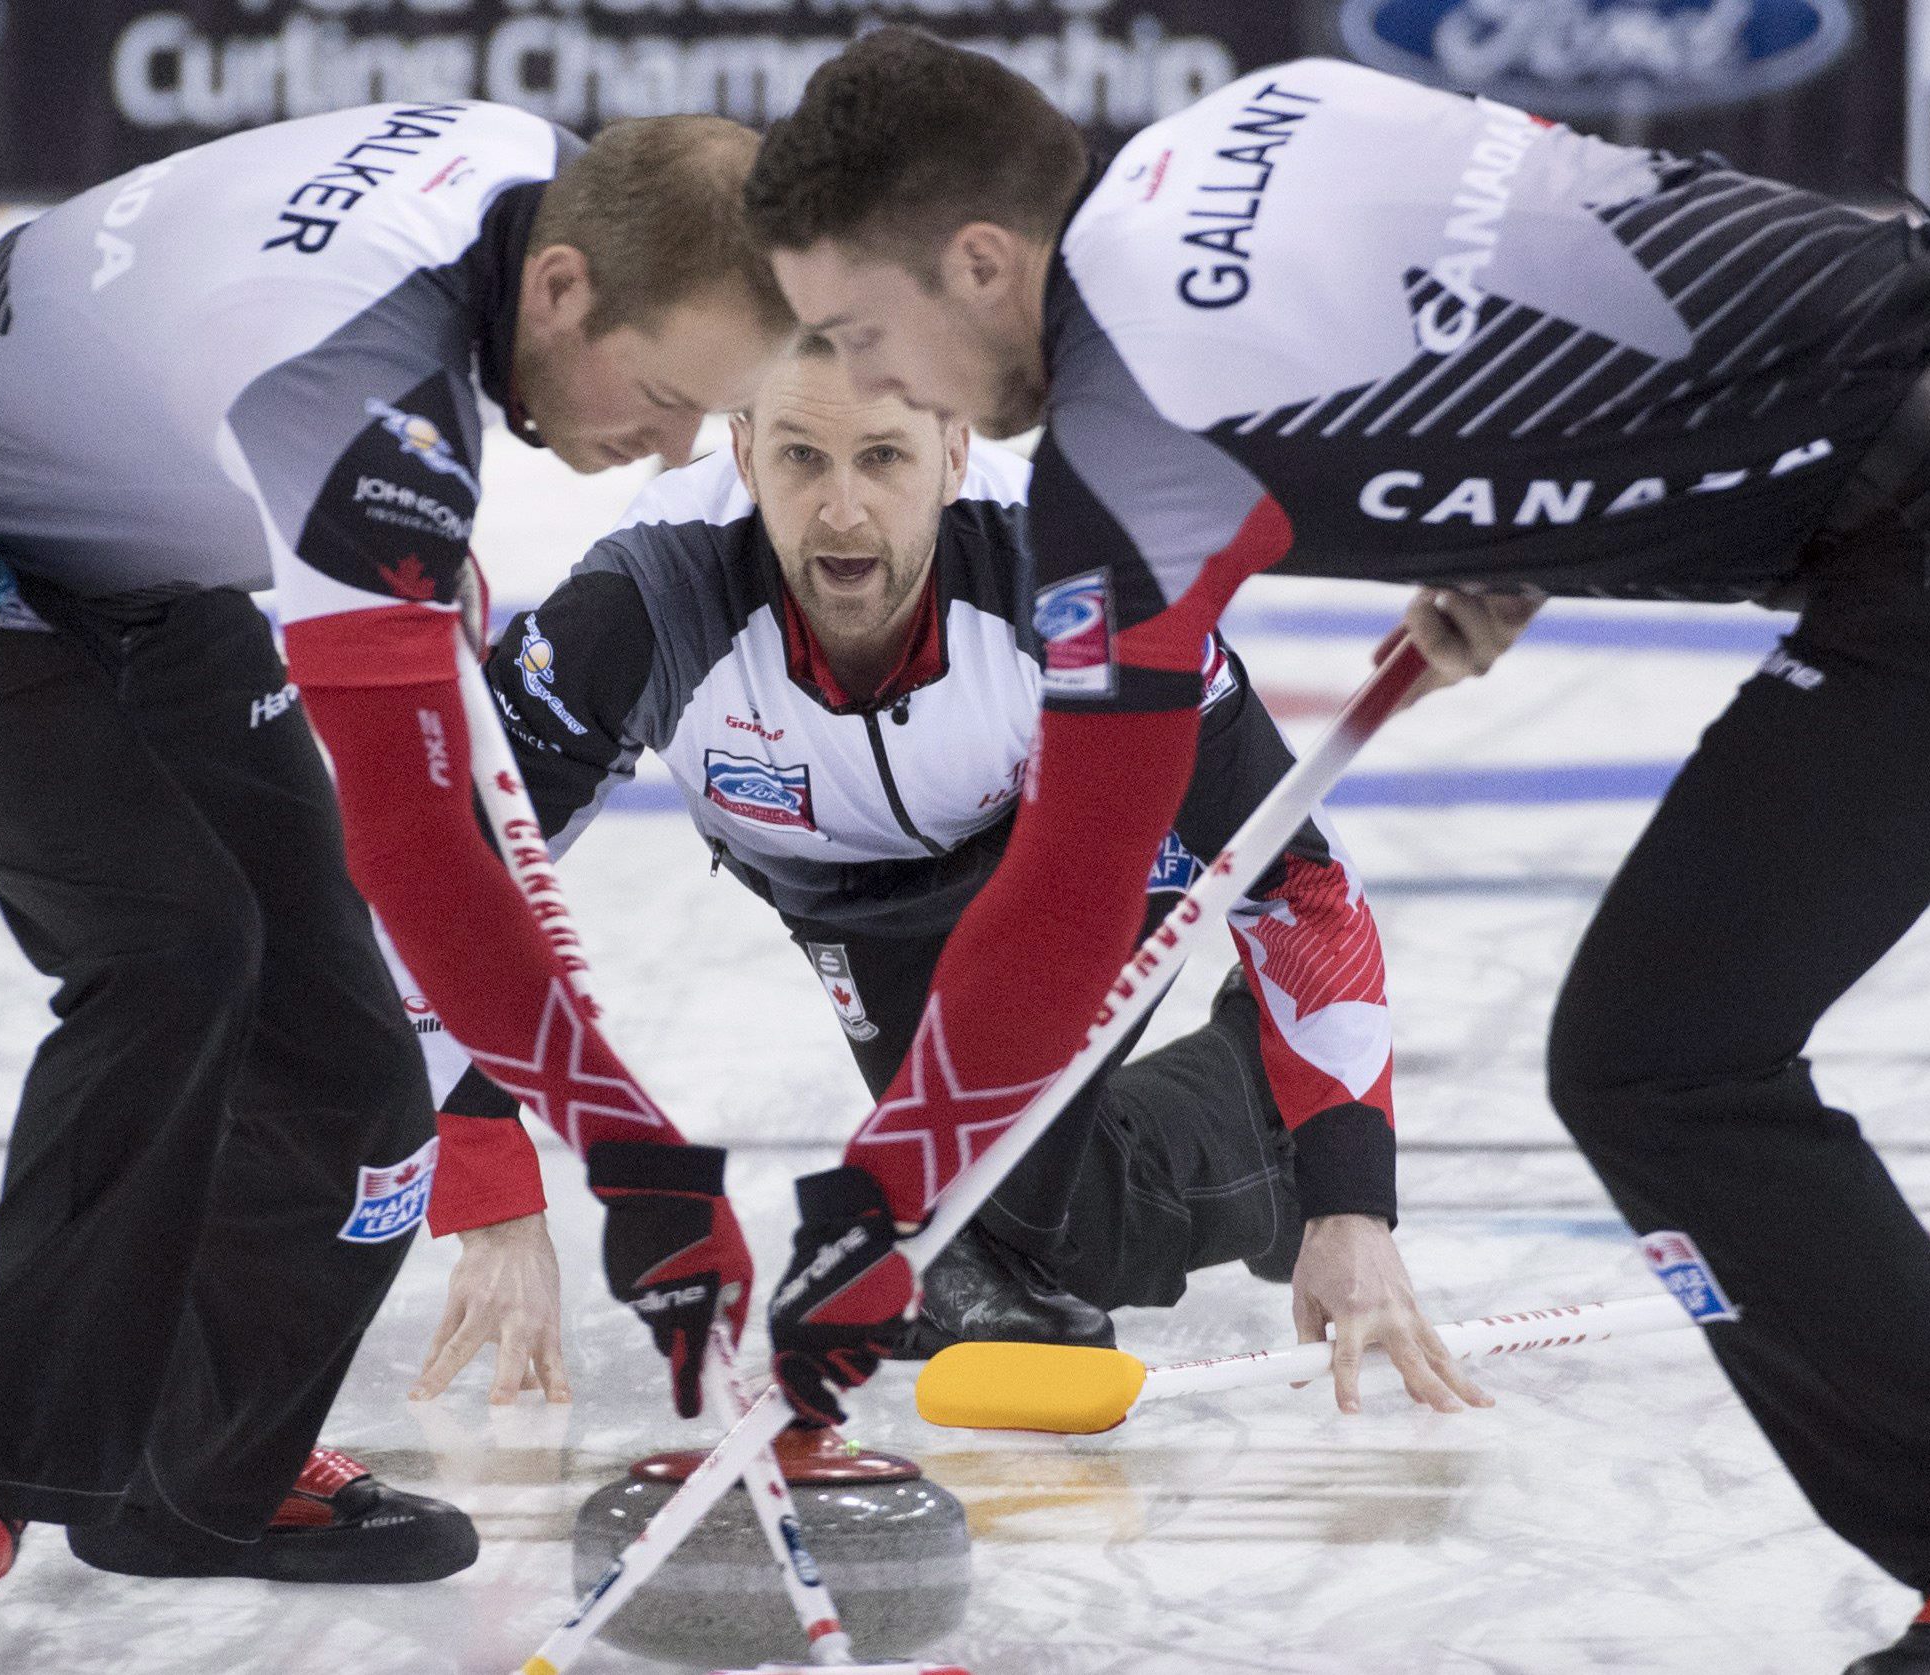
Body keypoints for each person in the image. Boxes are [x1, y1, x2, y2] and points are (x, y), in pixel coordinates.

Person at [736, 29, 1930, 1675]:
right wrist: (1520, 518)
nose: (881, 381)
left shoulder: (1124, 456)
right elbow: (1569, 279)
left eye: (871, 339)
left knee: (1663, 1059)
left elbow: (1064, 902)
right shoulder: (1258, 117)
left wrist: (882, 1204)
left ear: (981, 263)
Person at [0, 101, 791, 1668]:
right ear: (561, 291)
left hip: (129, 561)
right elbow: (426, 856)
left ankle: (196, 1480)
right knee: (175, 947)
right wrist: (637, 1156)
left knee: (350, 1057)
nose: (676, 450)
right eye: (660, 398)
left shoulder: (554, 177)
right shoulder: (350, 376)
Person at [403, 336, 1432, 1404]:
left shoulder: (1075, 570)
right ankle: (1237, 1096)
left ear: (953, 451)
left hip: (1069, 862)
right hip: (846, 906)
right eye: (802, 458)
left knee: (1034, 1215)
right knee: (998, 1215)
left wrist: (1347, 1198)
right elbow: (439, 881)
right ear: (743, 455)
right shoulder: (642, 604)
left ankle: (1273, 1148)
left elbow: (1299, 881)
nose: (842, 514)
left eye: (882, 459)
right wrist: (493, 1207)